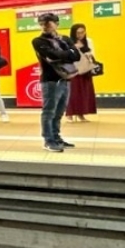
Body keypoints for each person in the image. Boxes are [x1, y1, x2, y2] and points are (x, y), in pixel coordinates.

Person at [32, 12, 81, 152]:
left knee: (59, 111)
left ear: (57, 24)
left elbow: (76, 56)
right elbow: (52, 55)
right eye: (41, 24)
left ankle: (56, 137)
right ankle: (48, 140)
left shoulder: (65, 39)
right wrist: (67, 54)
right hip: (50, 80)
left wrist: (62, 56)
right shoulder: (38, 41)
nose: (44, 26)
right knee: (49, 111)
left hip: (66, 78)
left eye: (48, 23)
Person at [65, 23, 97, 122]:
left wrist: (83, 49)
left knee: (84, 92)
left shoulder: (88, 41)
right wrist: (75, 48)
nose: (80, 35)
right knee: (73, 93)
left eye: (82, 32)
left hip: (85, 69)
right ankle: (69, 114)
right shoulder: (68, 42)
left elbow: (92, 54)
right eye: (78, 33)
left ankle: (81, 114)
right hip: (73, 70)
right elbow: (66, 56)